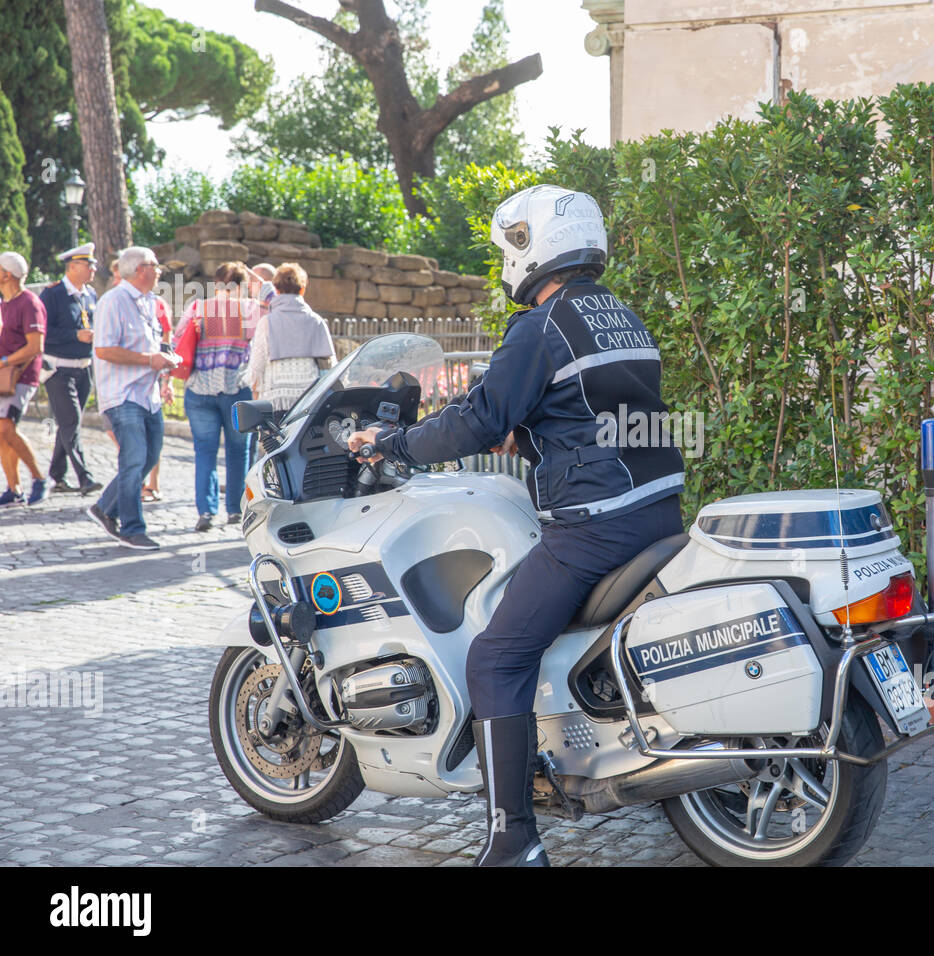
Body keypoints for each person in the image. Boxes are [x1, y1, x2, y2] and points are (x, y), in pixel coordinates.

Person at [349, 185, 686, 866]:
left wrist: (394, 445)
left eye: (507, 246)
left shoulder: (539, 326)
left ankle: (514, 839)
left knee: (496, 657)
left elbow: (476, 417)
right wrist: (527, 439)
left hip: (595, 526)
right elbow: (591, 414)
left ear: (529, 247)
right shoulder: (618, 314)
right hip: (655, 508)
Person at [86, 246, 178, 550]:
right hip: (123, 394)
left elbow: (151, 345)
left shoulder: (150, 302)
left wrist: (163, 360)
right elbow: (104, 350)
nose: (160, 270)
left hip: (148, 394)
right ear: (140, 269)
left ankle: (104, 508)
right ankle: (132, 527)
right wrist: (149, 360)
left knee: (149, 457)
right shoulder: (113, 300)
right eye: (155, 265)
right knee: (135, 458)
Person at [175, 261, 258, 532]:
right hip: (237, 389)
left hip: (200, 389)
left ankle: (206, 512)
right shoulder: (249, 310)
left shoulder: (199, 308)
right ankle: (235, 510)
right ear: (242, 285)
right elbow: (260, 347)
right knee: (238, 452)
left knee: (205, 452)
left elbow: (177, 341)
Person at [39, 243, 103, 496]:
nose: (94, 269)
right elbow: (44, 333)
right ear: (73, 266)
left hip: (84, 369)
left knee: (68, 424)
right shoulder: (52, 294)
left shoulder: (90, 294)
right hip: (59, 369)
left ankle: (56, 476)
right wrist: (76, 335)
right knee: (71, 421)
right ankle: (85, 477)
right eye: (89, 265)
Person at [245, 262, 336, 413]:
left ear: (276, 290)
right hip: (308, 400)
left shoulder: (267, 322)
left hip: (275, 399)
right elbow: (329, 364)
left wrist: (256, 396)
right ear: (302, 289)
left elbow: (257, 365)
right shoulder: (316, 320)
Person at [0, 251, 50, 506]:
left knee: (6, 427)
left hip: (20, 376)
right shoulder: (5, 303)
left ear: (7, 274)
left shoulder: (29, 302)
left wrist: (5, 361)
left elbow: (35, 347)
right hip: (4, 376)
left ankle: (40, 478)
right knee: (1, 433)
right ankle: (13, 488)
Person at [141, 290, 172, 502]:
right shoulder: (118, 300)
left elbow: (167, 342)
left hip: (152, 378)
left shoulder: (157, 304)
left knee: (153, 437)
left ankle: (153, 483)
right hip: (126, 382)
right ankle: (139, 482)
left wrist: (166, 380)